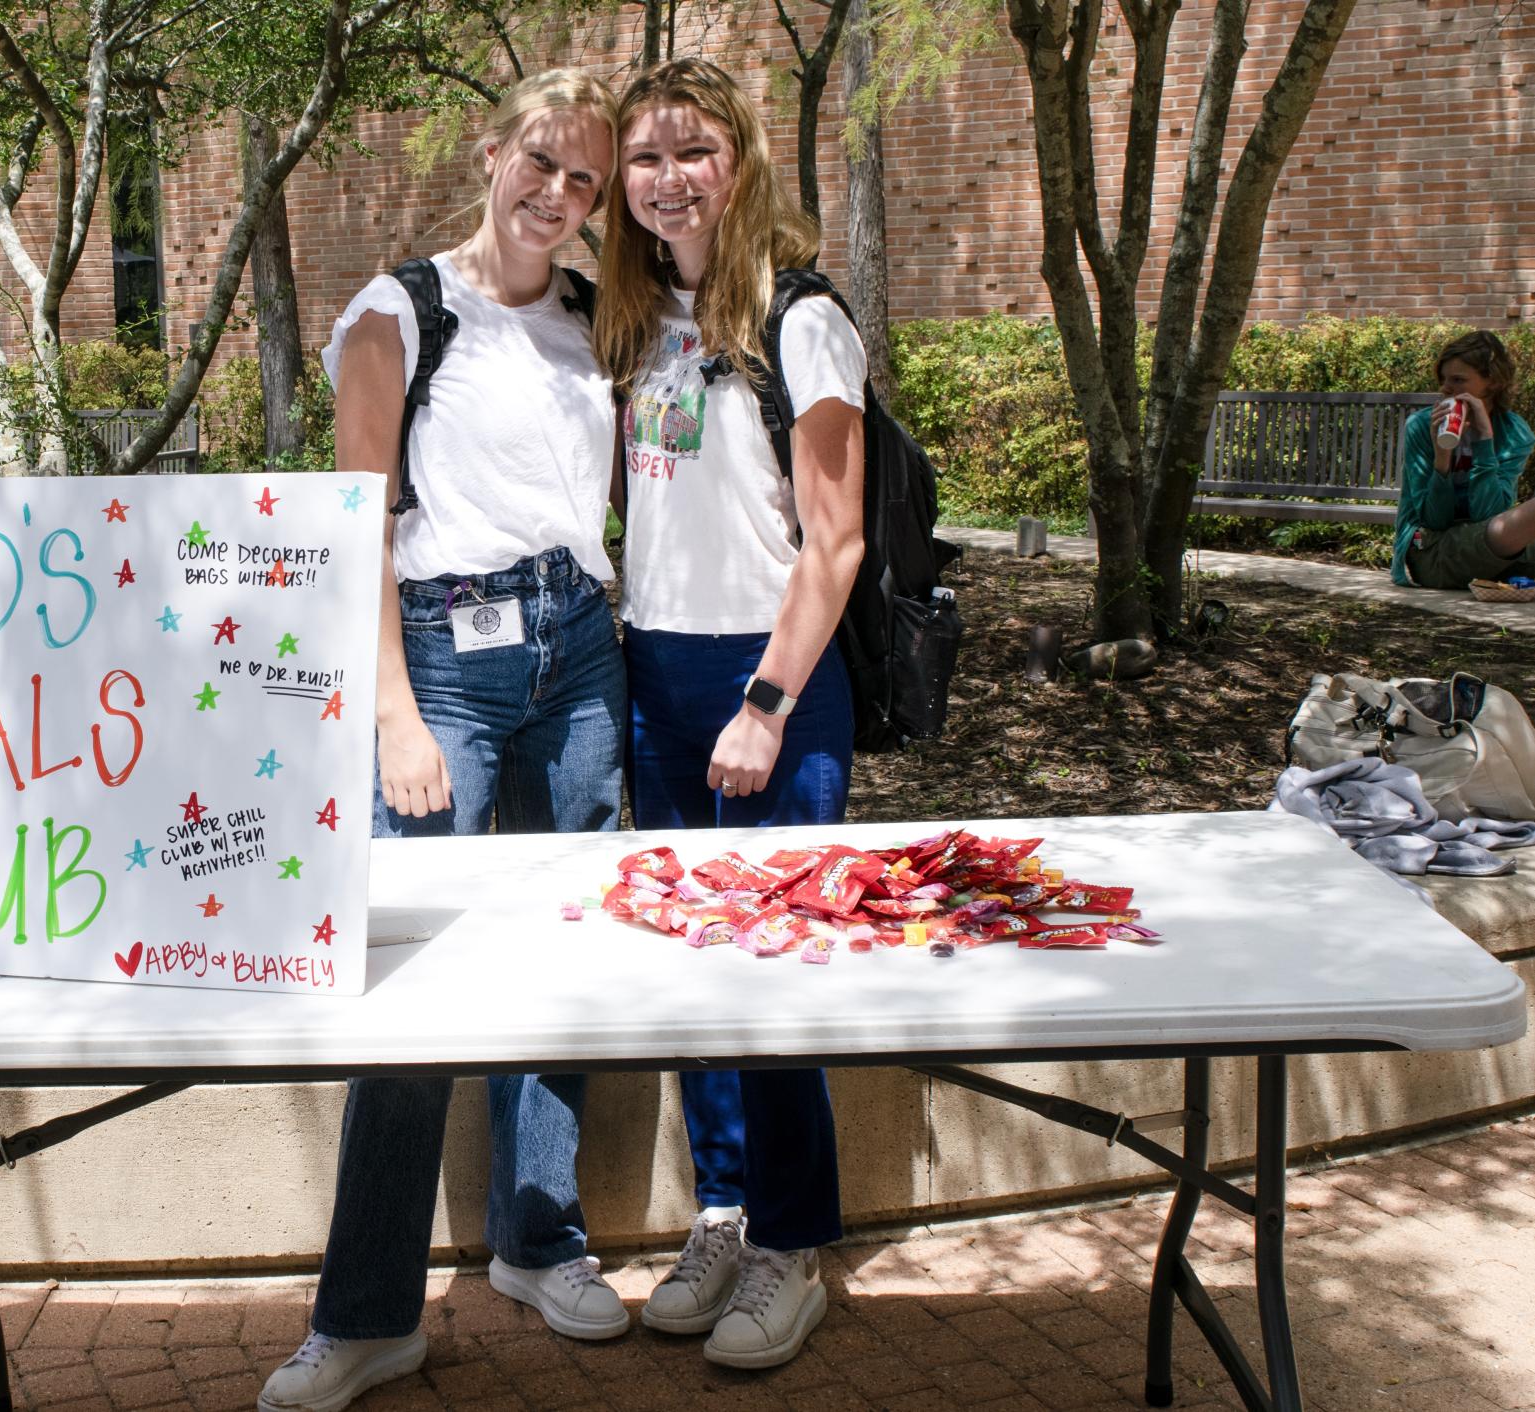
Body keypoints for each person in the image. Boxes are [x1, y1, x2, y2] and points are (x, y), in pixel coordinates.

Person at [260, 68, 629, 1412]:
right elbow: (353, 527)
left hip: (579, 652)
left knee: (563, 950)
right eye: (542, 163)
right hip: (442, 665)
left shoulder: (597, 318)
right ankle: (366, 1316)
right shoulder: (398, 312)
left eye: (584, 182)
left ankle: (540, 1239)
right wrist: (394, 713)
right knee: (408, 986)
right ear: (490, 153)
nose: (559, 197)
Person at [594, 57, 864, 1370]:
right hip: (653, 675)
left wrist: (764, 702)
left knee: (776, 977)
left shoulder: (801, 319)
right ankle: (720, 1211)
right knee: (694, 972)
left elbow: (837, 540)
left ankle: (792, 1243)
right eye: (644, 157)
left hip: (771, 686)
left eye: (691, 150)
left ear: (740, 162)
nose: (667, 177)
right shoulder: (634, 318)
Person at [1393, 331, 1535, 590]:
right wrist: (1442, 457)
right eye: (1444, 379)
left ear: (1492, 382)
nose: (1446, 388)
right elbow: (1433, 520)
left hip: (1495, 551)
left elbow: (1488, 513)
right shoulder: (1422, 426)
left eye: (1458, 380)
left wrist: (1484, 440)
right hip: (1431, 549)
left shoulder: (1515, 433)